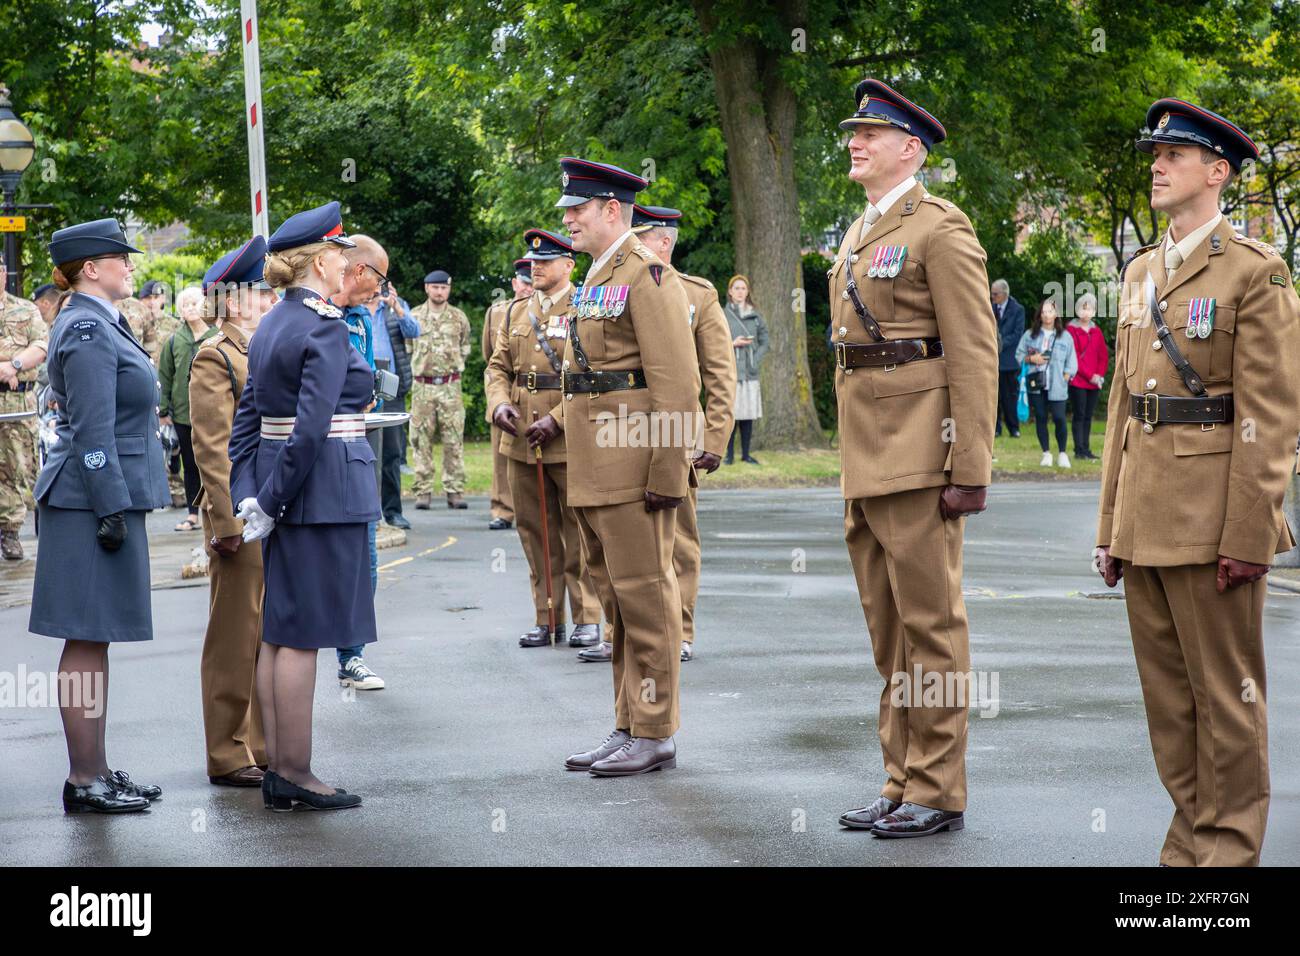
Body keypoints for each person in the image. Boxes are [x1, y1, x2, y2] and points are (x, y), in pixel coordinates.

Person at [1095, 99, 1300, 866]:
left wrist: (1250, 534)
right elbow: (1125, 406)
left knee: (1227, 701)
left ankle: (1229, 857)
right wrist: (1108, 526)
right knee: (1171, 706)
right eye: (1155, 153)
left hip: (1214, 519)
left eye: (1174, 155)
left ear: (1218, 172)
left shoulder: (1257, 271)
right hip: (1145, 518)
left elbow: (1271, 416)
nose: (1157, 164)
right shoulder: (1144, 270)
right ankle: (1190, 845)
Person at [829, 80, 997, 837]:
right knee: (887, 631)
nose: (856, 142)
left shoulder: (939, 227)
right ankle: (899, 778)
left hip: (922, 452)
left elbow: (974, 354)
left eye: (871, 133)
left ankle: (937, 785)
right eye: (853, 132)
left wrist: (970, 465)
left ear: (912, 149)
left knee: (930, 627)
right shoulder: (860, 231)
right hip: (865, 454)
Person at [539, 157, 700, 777]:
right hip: (597, 466)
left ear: (612, 209)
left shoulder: (649, 274)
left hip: (635, 467)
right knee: (617, 603)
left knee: (646, 598)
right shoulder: (601, 276)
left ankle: (655, 730)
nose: (568, 220)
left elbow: (677, 384)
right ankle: (628, 721)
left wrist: (667, 472)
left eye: (577, 209)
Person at [228, 200, 377, 811]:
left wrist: (251, 498)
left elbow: (247, 425)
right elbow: (310, 431)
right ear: (321, 261)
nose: (348, 265)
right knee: (303, 636)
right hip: (323, 497)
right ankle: (295, 770)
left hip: (285, 494)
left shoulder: (271, 324)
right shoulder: (322, 326)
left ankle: (280, 770)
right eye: (343, 255)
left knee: (280, 631)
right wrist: (274, 500)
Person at [29, 217, 170, 813]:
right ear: (92, 268)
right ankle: (84, 779)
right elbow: (91, 428)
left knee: (97, 637)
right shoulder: (86, 326)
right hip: (87, 501)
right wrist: (111, 506)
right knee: (86, 637)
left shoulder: (99, 321)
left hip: (96, 497)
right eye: (122, 257)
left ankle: (96, 770)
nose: (131, 265)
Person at [618, 203, 736, 664]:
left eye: (640, 237)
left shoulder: (696, 294)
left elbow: (720, 374)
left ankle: (680, 629)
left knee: (678, 538)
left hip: (676, 430)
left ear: (663, 241)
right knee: (623, 536)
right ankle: (622, 629)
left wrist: (714, 437)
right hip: (622, 432)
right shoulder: (613, 285)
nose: (632, 245)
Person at [189, 236, 277, 787]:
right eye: (259, 290)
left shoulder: (256, 349)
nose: (269, 297)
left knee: (264, 628)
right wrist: (225, 522)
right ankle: (226, 750)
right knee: (233, 634)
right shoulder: (215, 354)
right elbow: (212, 446)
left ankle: (260, 744)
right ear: (233, 300)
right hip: (238, 516)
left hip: (266, 509)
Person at [486, 229, 601, 649]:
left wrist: (557, 419)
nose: (536, 267)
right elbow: (497, 367)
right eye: (533, 261)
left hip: (569, 437)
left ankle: (587, 617)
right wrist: (498, 404)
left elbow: (593, 374)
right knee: (534, 532)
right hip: (521, 439)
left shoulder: (587, 307)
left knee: (578, 532)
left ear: (569, 265)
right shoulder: (516, 311)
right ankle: (546, 616)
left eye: (546, 261)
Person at [333, 235, 393, 692]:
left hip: (355, 448)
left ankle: (352, 655)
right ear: (359, 271)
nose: (382, 288)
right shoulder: (311, 315)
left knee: (365, 557)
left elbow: (366, 385)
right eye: (380, 276)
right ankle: (283, 660)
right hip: (313, 453)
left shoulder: (361, 318)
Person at [408, 270, 471, 510]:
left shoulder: (458, 318)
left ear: (449, 289)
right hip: (422, 386)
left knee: (453, 439)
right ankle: (423, 490)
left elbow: (465, 346)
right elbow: (407, 348)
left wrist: (454, 365)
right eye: (435, 287)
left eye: (443, 288)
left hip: (450, 385)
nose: (439, 291)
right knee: (420, 439)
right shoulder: (414, 317)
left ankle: (454, 490)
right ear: (426, 288)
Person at [159, 284, 219, 531]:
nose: (190, 308)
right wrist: (163, 411)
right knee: (190, 463)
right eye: (185, 304)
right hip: (183, 414)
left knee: (215, 462)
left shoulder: (217, 335)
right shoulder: (174, 341)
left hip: (214, 413)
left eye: (195, 303)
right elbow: (165, 376)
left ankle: (218, 510)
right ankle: (193, 514)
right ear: (180, 311)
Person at [0, 250, 48, 561]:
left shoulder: (25, 309)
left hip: (18, 402)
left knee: (18, 468)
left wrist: (13, 365)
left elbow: (41, 346)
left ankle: (10, 531)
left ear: (3, 274)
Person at [481, 260, 530, 531]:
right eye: (523, 282)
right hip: (504, 394)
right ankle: (502, 510)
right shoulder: (497, 312)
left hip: (537, 395)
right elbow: (489, 357)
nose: (527, 288)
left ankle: (531, 510)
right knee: (501, 459)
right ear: (514, 284)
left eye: (531, 283)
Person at [371, 280, 419, 531]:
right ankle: (369, 511)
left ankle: (393, 511)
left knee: (391, 452)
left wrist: (397, 308)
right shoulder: (352, 306)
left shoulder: (395, 307)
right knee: (366, 452)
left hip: (390, 386)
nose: (377, 290)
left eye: (381, 285)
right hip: (362, 385)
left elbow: (414, 330)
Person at [1015, 296, 1077, 468]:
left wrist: (1066, 376)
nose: (1047, 315)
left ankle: (1063, 453)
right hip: (1036, 384)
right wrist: (1031, 358)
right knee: (1041, 418)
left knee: (1059, 418)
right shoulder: (1029, 335)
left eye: (1050, 311)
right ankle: (1046, 453)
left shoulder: (1065, 336)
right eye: (1044, 312)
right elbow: (1018, 356)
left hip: (1057, 385)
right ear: (1039, 315)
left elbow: (1072, 361)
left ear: (1056, 314)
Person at [723, 275, 767, 465]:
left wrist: (755, 360)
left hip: (750, 371)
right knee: (732, 413)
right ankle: (729, 455)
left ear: (747, 292)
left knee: (747, 414)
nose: (740, 291)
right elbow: (715, 340)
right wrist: (733, 344)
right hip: (732, 369)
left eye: (743, 288)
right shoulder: (723, 315)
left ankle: (746, 454)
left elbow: (765, 341)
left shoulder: (755, 315)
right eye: (736, 288)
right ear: (730, 292)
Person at [1066, 292, 1108, 459]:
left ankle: (1087, 449)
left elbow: (1103, 356)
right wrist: (1090, 375)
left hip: (1094, 382)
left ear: (1094, 311)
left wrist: (1099, 375)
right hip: (1078, 380)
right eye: (1083, 309)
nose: (1086, 312)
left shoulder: (1096, 331)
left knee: (1088, 416)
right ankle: (1079, 450)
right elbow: (1074, 356)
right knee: (1079, 415)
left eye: (1089, 309)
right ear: (1077, 310)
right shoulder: (1071, 330)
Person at [991, 279, 1025, 438]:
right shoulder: (990, 308)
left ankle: (1013, 427)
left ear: (1004, 294)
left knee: (1010, 396)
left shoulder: (1017, 309)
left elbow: (1017, 334)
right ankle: (996, 428)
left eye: (995, 294)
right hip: (993, 360)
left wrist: (998, 343)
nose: (992, 297)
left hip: (1009, 361)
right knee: (994, 396)